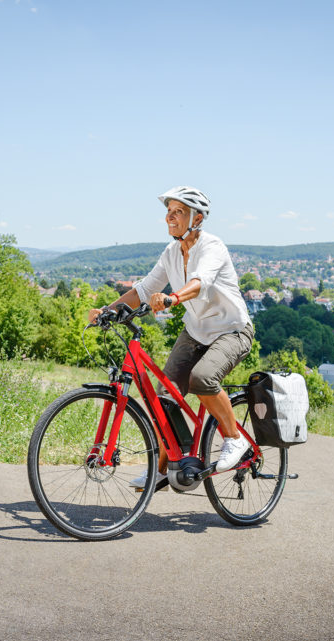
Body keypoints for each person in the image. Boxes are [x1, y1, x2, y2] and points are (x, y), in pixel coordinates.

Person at [89, 186, 254, 487]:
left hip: (232, 331)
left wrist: (172, 299)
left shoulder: (212, 247)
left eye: (178, 212)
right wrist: (106, 311)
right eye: (169, 211)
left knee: (202, 379)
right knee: (163, 399)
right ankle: (167, 467)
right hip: (196, 332)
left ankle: (234, 439)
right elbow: (143, 289)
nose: (170, 217)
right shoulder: (171, 253)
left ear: (198, 218)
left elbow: (199, 283)